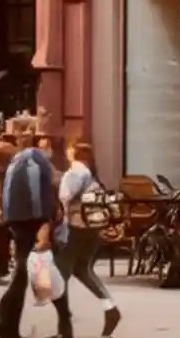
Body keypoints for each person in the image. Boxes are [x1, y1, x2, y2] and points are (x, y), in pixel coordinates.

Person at [0, 137, 72, 338]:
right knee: (46, 272)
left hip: (21, 224)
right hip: (37, 225)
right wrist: (46, 223)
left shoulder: (16, 166)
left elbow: (6, 204)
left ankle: (7, 325)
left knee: (26, 274)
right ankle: (63, 323)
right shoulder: (33, 160)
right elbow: (42, 197)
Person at [57, 140, 121, 337]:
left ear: (74, 154)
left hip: (75, 228)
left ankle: (64, 327)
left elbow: (65, 197)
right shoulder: (92, 175)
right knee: (82, 269)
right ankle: (110, 307)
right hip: (92, 228)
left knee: (60, 275)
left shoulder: (75, 172)